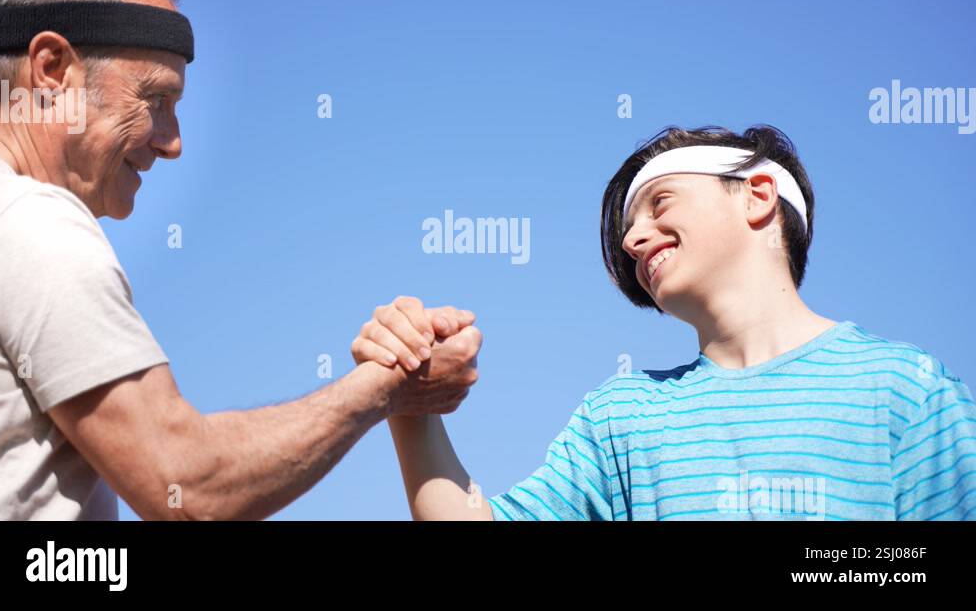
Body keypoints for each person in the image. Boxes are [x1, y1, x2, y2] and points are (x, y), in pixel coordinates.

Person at [0, 0, 481, 520]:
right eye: (155, 100)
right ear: (51, 70)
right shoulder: (29, 222)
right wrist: (388, 387)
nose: (173, 143)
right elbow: (188, 488)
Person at [353, 125, 976, 520]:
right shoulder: (620, 417)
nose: (634, 239)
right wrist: (408, 404)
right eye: (627, 231)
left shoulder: (905, 389)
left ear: (758, 196)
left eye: (659, 204)